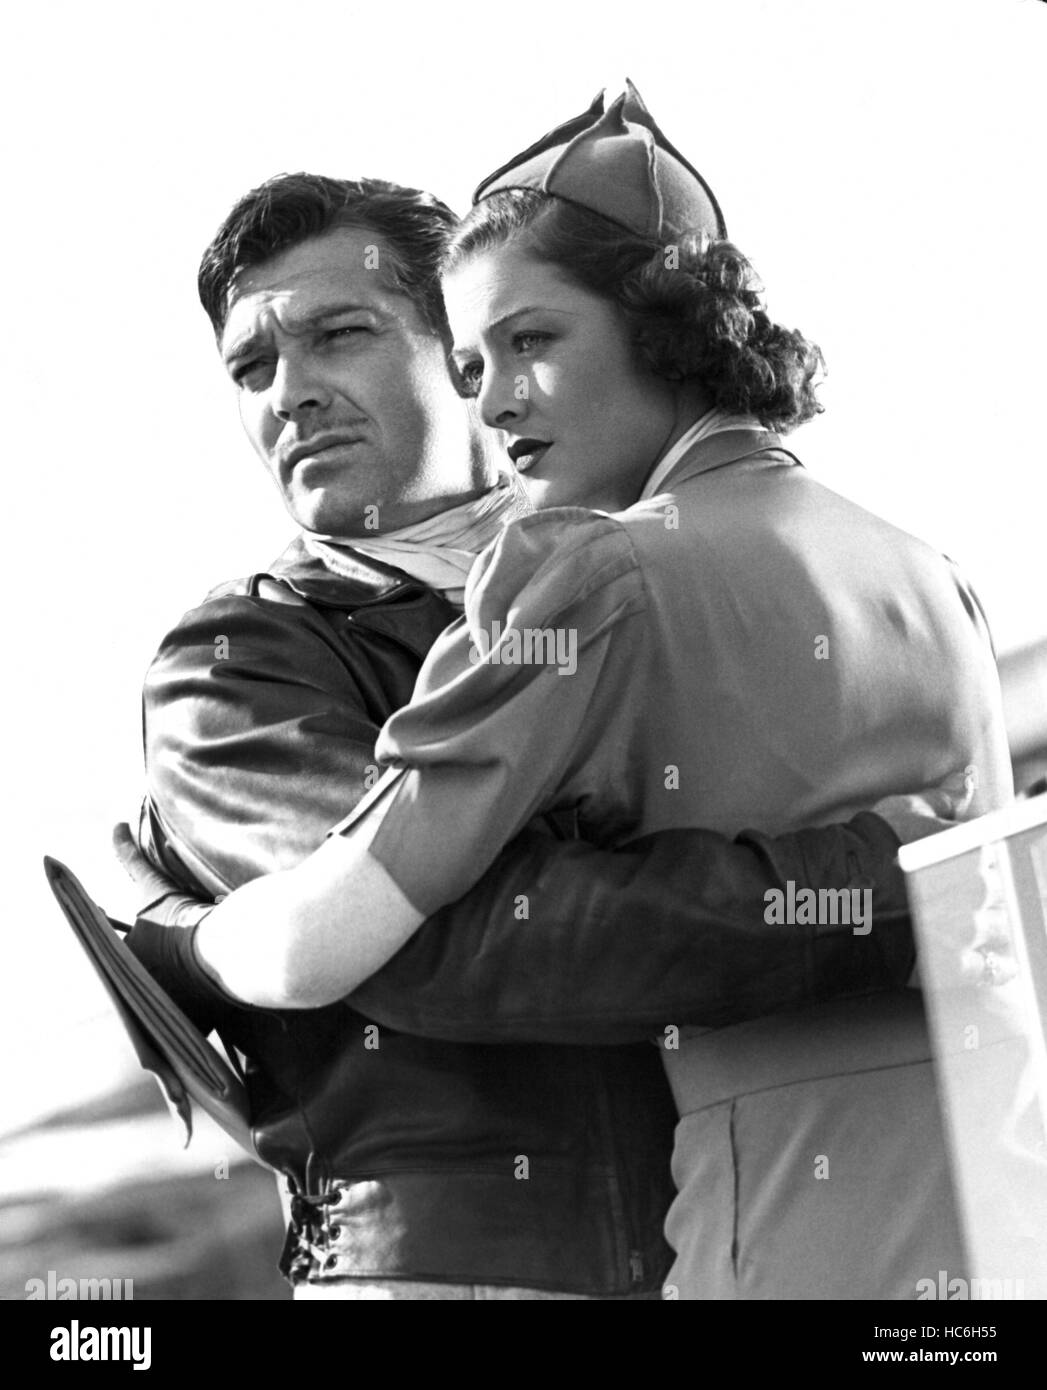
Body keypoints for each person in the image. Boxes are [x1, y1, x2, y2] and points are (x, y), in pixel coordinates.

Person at [181, 86, 1014, 1300]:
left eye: (532, 342)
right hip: (989, 1226)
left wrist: (180, 933)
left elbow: (329, 945)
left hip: (773, 1225)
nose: (496, 399)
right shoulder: (931, 568)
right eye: (479, 362)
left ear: (660, 323)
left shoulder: (588, 573)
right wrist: (895, 896)